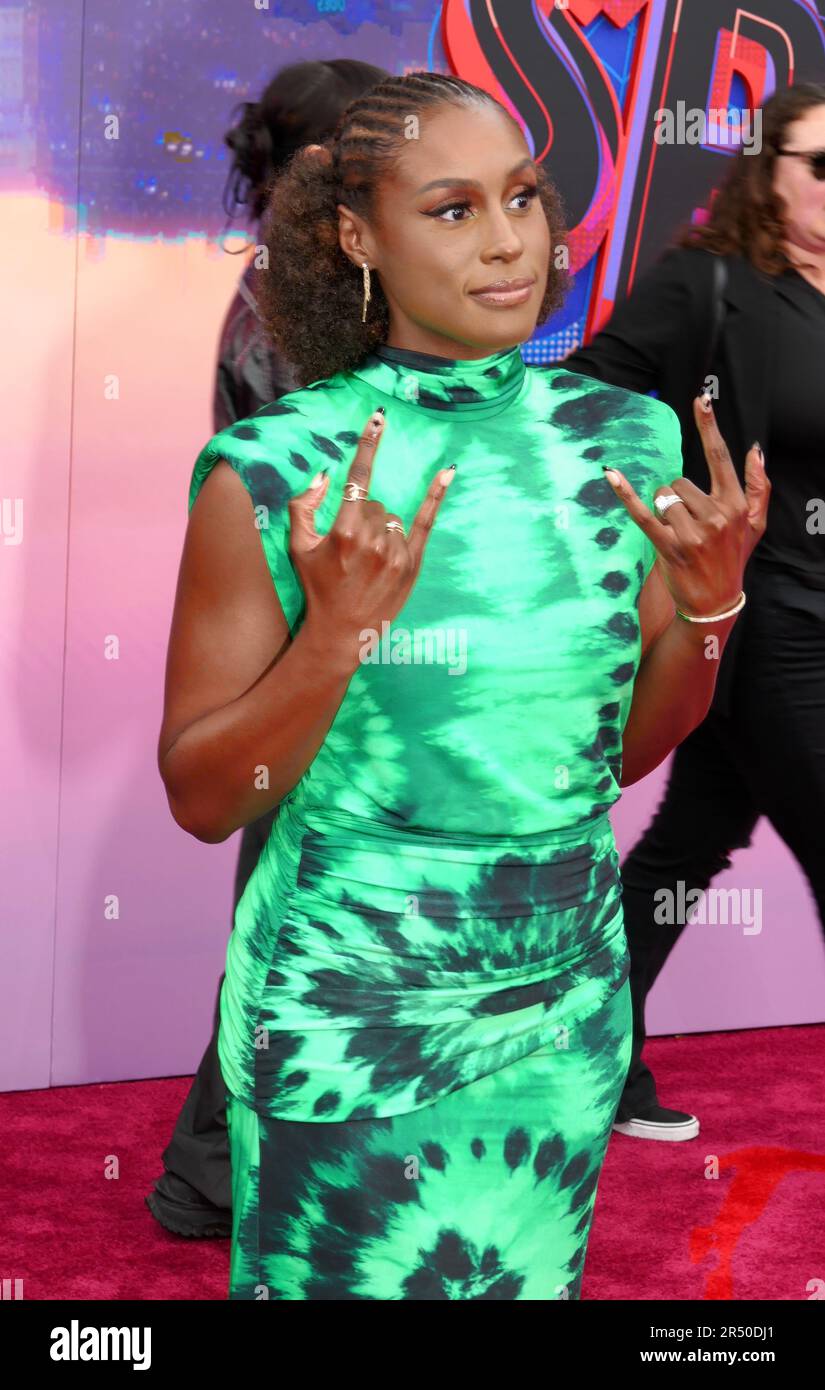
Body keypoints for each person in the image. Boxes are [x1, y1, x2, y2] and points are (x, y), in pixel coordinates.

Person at [158, 70, 768, 1300]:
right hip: (348, 1006)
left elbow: (622, 758)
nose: (508, 244)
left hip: (563, 1000)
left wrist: (709, 609)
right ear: (357, 236)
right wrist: (334, 637)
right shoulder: (274, 467)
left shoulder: (629, 439)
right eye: (452, 210)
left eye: (525, 199)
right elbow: (209, 797)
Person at [146, 58, 388, 1240]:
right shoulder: (294, 315)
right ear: (314, 171)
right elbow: (324, 493)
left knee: (296, 923)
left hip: (329, 656)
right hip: (309, 665)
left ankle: (213, 1168)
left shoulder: (312, 296)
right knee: (292, 925)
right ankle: (208, 1171)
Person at [562, 81, 824, 1143]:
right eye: (822, 164)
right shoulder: (707, 286)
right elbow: (583, 402)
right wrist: (674, 515)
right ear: (768, 169)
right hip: (760, 624)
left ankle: (590, 1061)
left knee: (686, 846)